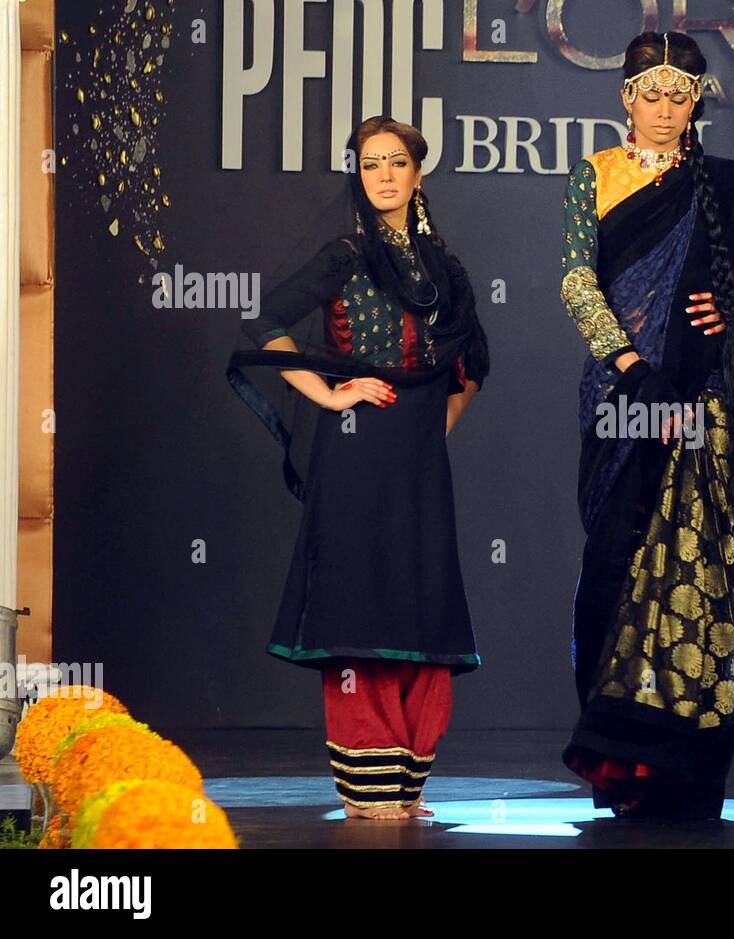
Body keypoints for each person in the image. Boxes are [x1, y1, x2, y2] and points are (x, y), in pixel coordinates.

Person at [559, 31, 734, 820]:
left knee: (693, 572)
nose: (666, 108)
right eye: (653, 92)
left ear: (697, 101)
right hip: (619, 397)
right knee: (614, 563)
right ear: (625, 98)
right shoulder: (596, 176)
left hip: (700, 404)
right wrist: (625, 361)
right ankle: (619, 758)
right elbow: (577, 276)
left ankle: (682, 762)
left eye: (681, 94)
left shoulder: (725, 182)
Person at [226, 116, 489, 820]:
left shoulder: (447, 268)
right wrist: (329, 390)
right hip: (353, 452)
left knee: (422, 607)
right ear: (359, 174)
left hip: (417, 464)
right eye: (370, 164)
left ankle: (410, 782)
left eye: (395, 162)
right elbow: (265, 319)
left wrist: (431, 426)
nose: (383, 175)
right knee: (359, 607)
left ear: (417, 174)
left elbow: (471, 368)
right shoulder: (343, 255)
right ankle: (369, 783)